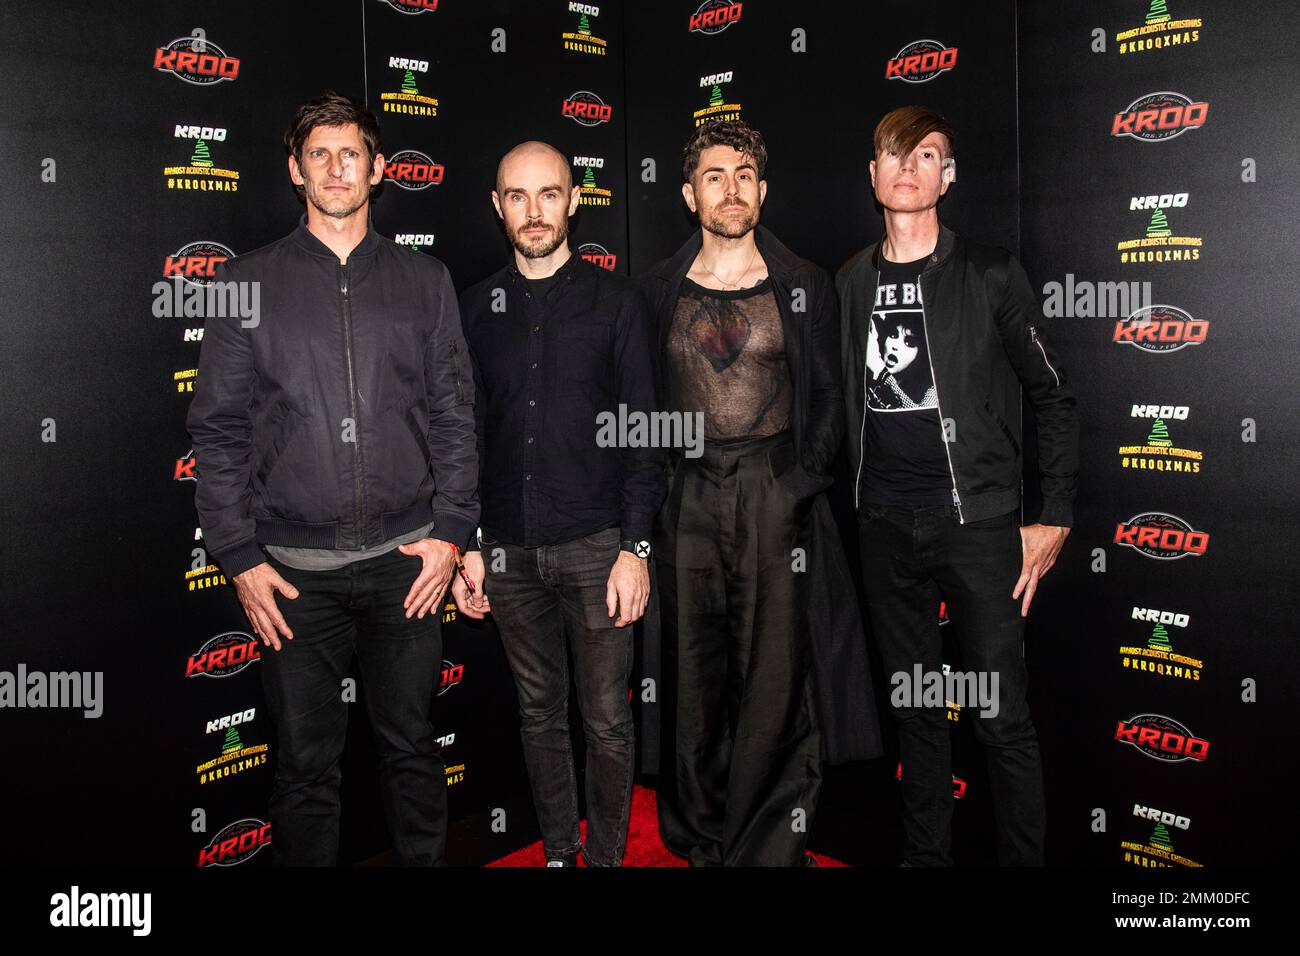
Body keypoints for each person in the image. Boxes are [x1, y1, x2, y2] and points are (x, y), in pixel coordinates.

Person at [186, 91, 478, 866]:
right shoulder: (244, 283)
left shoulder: (426, 281)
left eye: (352, 153)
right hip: (293, 581)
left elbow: (454, 415)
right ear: (295, 170)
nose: (337, 167)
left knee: (414, 751)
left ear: (379, 170)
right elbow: (215, 434)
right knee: (305, 770)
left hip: (407, 570)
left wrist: (452, 534)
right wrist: (240, 558)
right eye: (320, 153)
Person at [838, 105, 1079, 866]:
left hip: (976, 525)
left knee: (1001, 718)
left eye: (927, 155)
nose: (909, 169)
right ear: (873, 175)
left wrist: (1056, 512)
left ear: (948, 175)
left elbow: (1054, 396)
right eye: (894, 156)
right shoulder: (849, 282)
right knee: (915, 714)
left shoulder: (990, 273)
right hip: (882, 525)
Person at [640, 119, 880, 867]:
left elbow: (835, 397)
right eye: (715, 176)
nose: (731, 189)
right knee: (690, 671)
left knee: (775, 670)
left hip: (776, 491)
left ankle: (773, 837)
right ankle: (701, 826)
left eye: (744, 175)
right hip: (684, 498)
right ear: (689, 194)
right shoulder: (655, 290)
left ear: (763, 189)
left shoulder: (805, 284)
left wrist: (800, 479)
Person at [452, 142, 664, 867]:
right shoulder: (476, 307)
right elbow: (466, 435)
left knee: (606, 721)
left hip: (598, 547)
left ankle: (604, 858)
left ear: (574, 200)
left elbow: (644, 436)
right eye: (518, 196)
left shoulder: (618, 303)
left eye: (549, 194)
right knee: (538, 715)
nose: (534, 211)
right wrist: (468, 546)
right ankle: (556, 855)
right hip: (507, 553)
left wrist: (636, 549)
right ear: (498, 206)